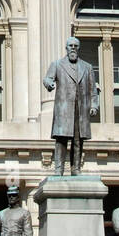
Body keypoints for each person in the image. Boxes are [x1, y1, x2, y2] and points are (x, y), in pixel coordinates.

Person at [43, 37, 99, 175]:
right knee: (61, 140)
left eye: (75, 46)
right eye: (70, 46)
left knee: (78, 140)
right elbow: (47, 78)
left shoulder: (87, 67)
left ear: (79, 48)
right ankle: (58, 169)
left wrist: (94, 105)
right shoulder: (57, 64)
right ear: (66, 48)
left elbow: (93, 89)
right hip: (64, 109)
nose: (73, 48)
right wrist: (49, 84)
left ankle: (76, 169)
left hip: (80, 109)